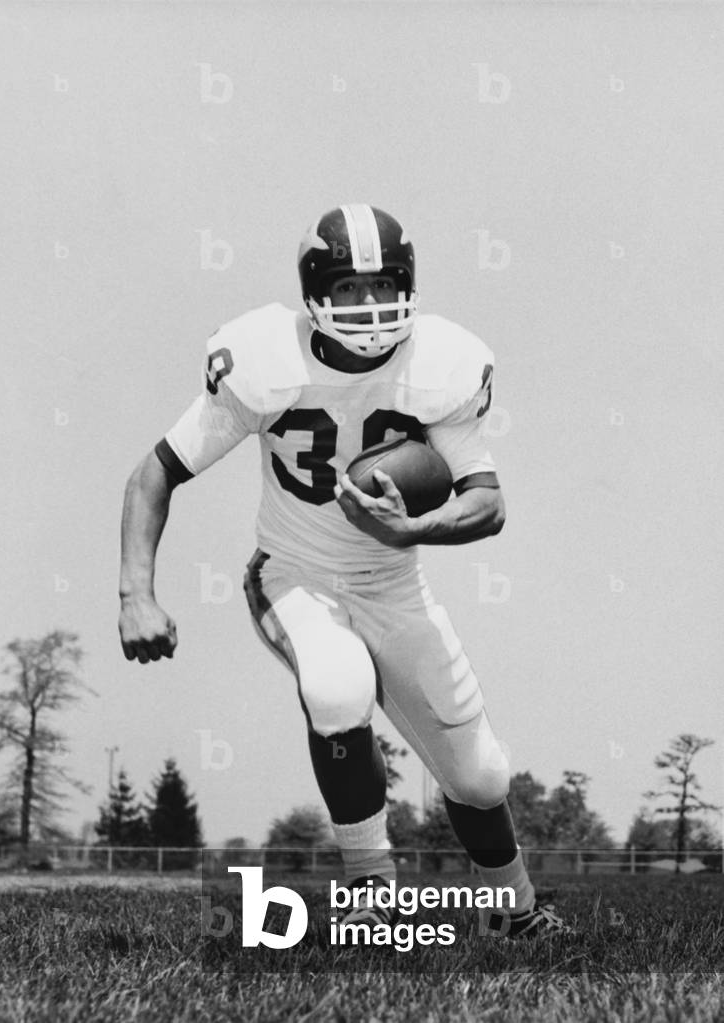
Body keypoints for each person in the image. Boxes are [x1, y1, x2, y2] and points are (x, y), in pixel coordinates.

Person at [118, 204, 569, 939]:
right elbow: (152, 475)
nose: (368, 305)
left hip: (392, 582)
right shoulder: (264, 359)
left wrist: (414, 527)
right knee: (336, 686)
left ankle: (513, 910)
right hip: (294, 573)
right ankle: (371, 885)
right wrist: (136, 592)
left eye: (383, 285)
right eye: (349, 288)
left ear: (410, 283)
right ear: (312, 290)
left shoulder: (444, 364)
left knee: (480, 774)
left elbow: (487, 504)